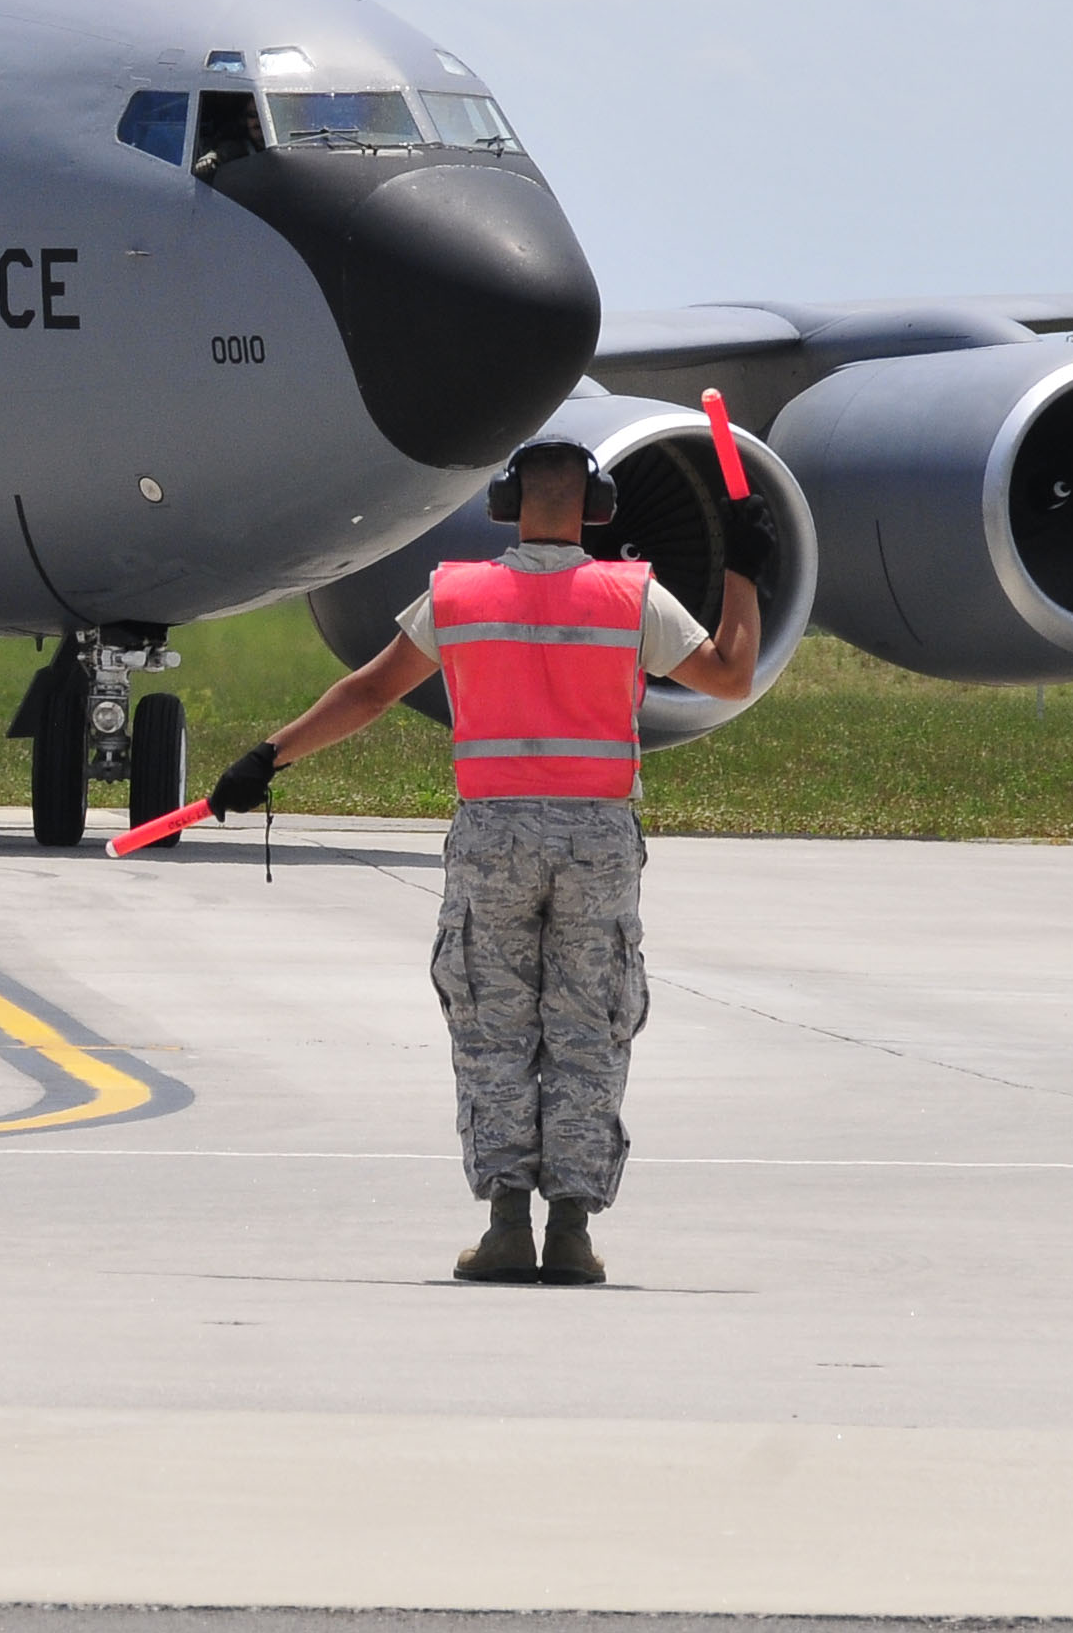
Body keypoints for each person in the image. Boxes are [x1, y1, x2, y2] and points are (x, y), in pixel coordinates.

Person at [201, 437, 767, 1286]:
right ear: (598, 508)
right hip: (596, 840)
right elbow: (730, 676)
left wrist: (267, 759)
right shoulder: (631, 598)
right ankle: (571, 1231)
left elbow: (368, 690)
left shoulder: (456, 595)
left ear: (504, 504)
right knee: (589, 1027)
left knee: (492, 1028)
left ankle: (507, 1224)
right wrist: (745, 572)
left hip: (493, 838)